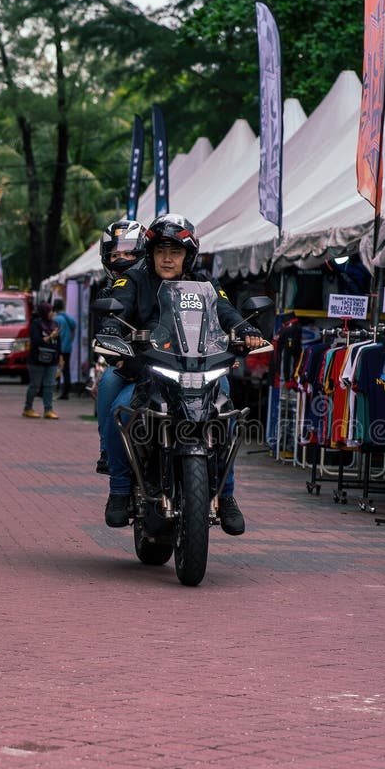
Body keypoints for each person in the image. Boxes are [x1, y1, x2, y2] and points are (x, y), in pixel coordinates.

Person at [100, 213, 266, 532]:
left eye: (175, 252)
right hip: (148, 369)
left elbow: (225, 310)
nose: (167, 258)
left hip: (199, 368)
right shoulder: (133, 279)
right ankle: (119, 491)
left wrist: (246, 330)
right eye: (160, 251)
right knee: (120, 412)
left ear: (187, 256)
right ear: (150, 254)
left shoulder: (205, 283)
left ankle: (226, 496)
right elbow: (117, 304)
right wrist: (111, 327)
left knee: (226, 408)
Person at [93, 219, 147, 476]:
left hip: (174, 362)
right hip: (128, 365)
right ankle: (107, 449)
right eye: (115, 255)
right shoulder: (107, 294)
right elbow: (105, 330)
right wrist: (117, 354)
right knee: (108, 381)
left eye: (128, 253)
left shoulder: (160, 285)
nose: (121, 259)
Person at [22, 302, 60, 419]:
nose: (52, 313)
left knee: (50, 385)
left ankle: (48, 409)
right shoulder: (36, 324)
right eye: (50, 311)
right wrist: (50, 336)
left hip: (52, 359)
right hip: (37, 360)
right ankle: (28, 408)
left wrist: (60, 357)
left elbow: (58, 341)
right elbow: (36, 341)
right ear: (44, 312)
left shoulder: (54, 324)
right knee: (35, 385)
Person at [52, 298, 76, 399]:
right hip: (67, 347)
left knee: (55, 368)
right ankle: (66, 392)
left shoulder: (56, 319)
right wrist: (70, 340)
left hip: (58, 348)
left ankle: (57, 389)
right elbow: (73, 328)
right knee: (66, 370)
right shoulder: (68, 318)